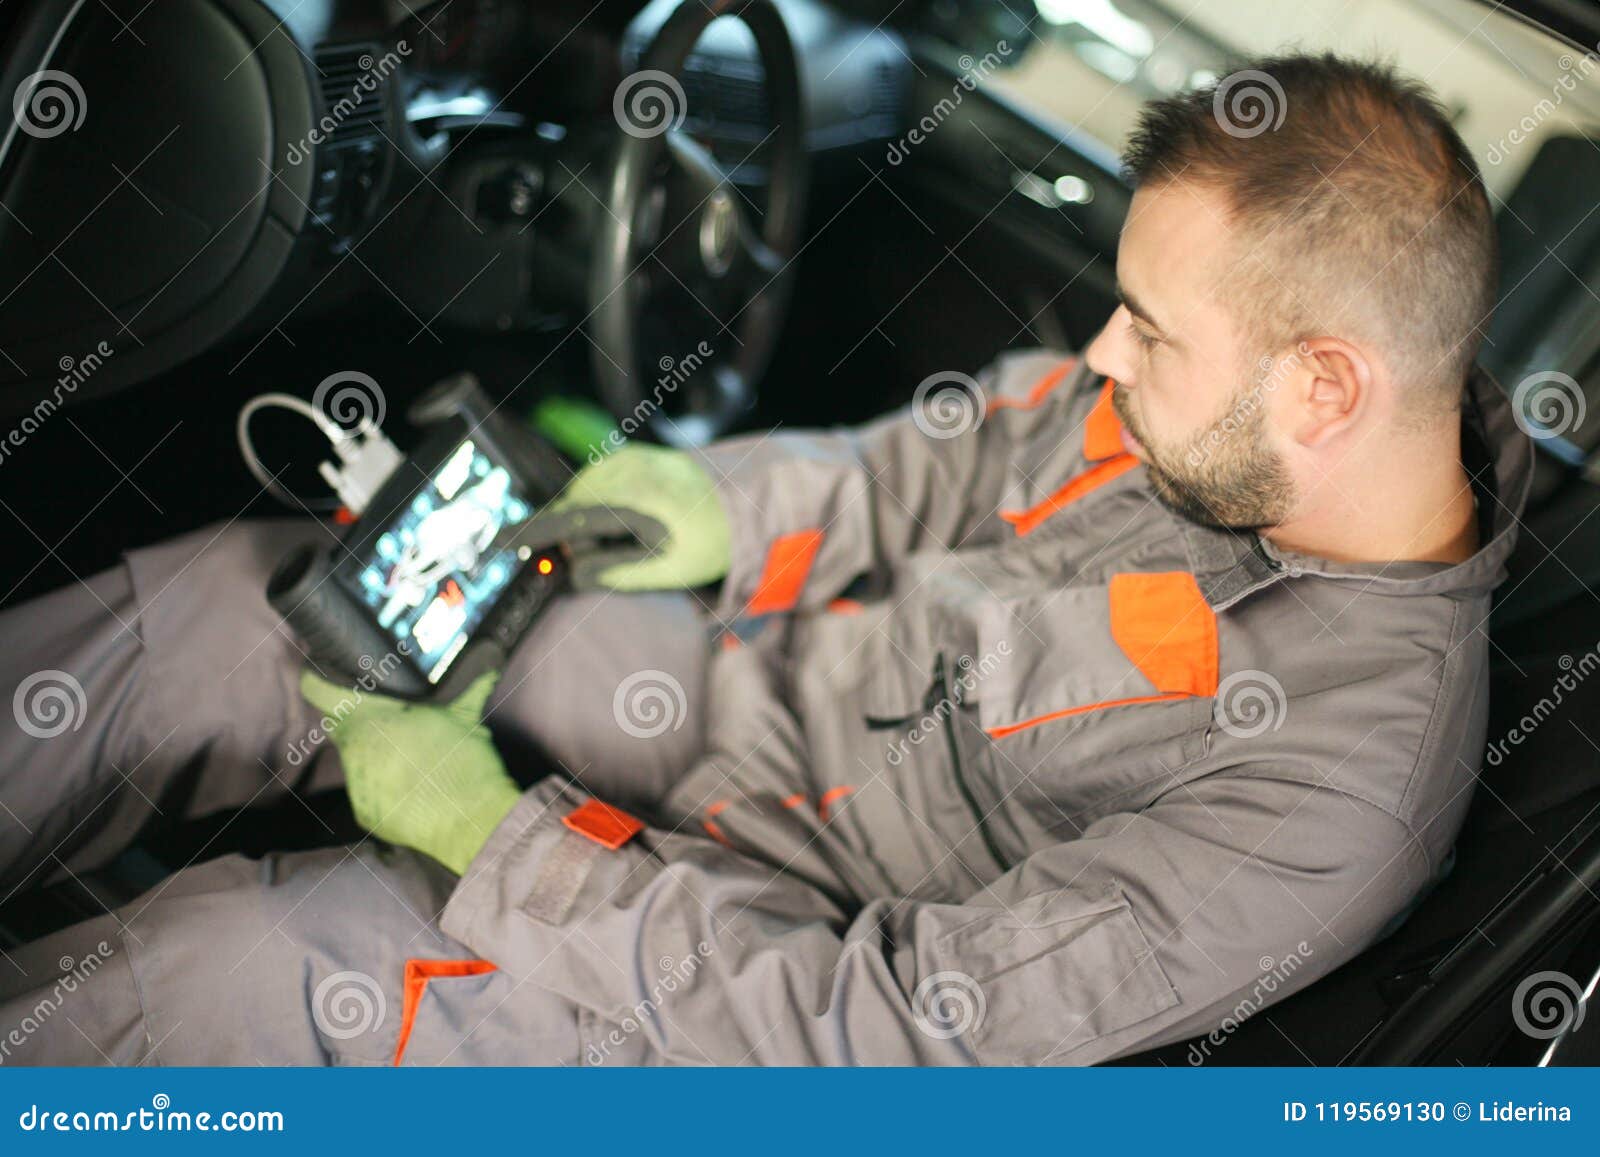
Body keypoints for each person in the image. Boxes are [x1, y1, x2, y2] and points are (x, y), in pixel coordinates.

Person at [0, 52, 1531, 1065]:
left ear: (1326, 388)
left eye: (1151, 329)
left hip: (768, 946)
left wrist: (490, 835)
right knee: (265, 604)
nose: (1103, 356)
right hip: (743, 692)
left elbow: (896, 1031)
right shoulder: (1230, 423)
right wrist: (725, 506)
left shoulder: (1335, 793)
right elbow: (948, 454)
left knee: (238, 969)